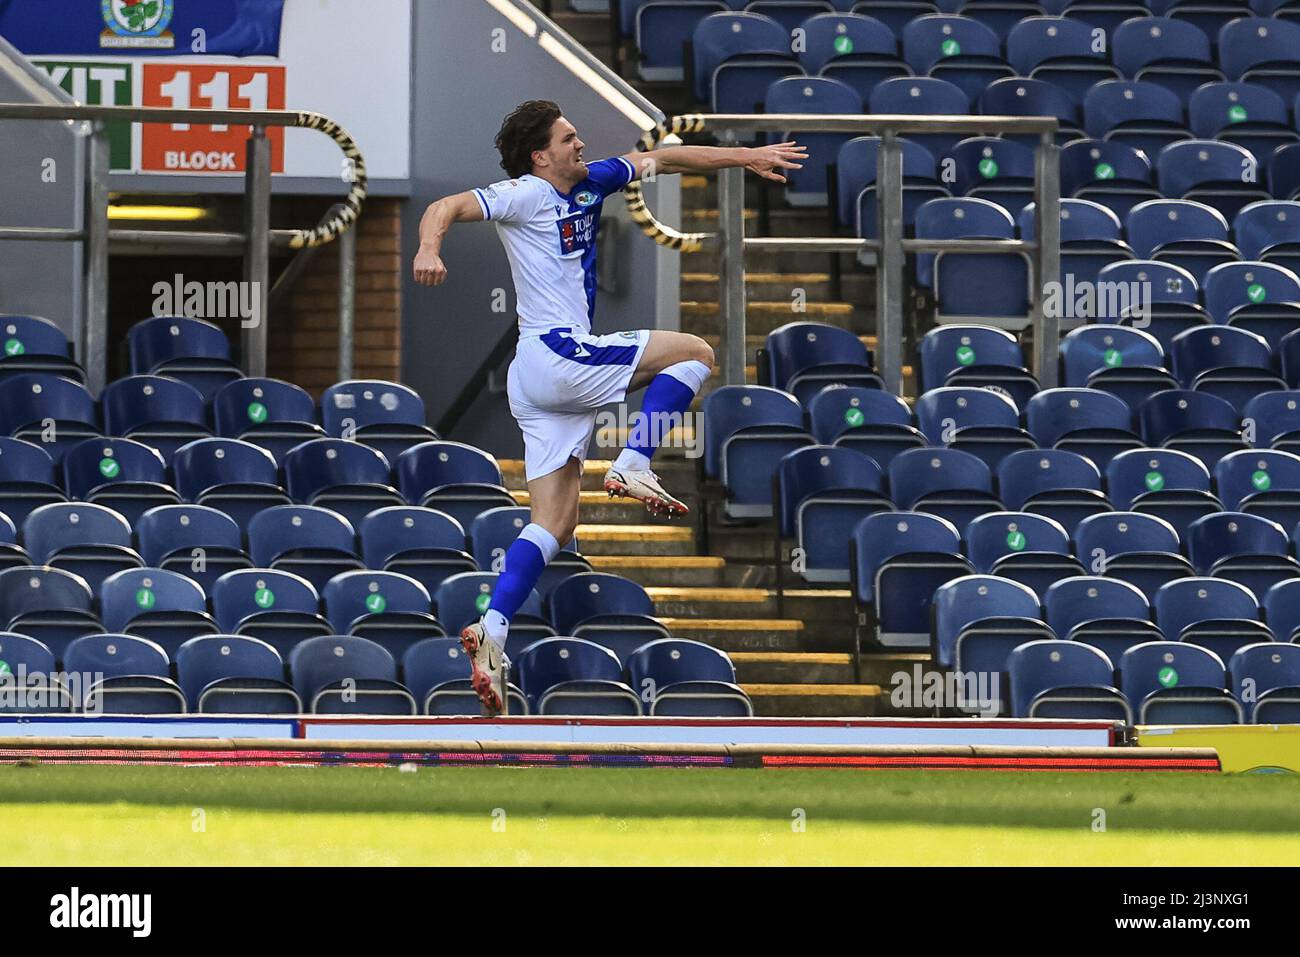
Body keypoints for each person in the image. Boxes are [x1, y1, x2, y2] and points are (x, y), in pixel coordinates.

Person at [413, 100, 805, 715]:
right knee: (695, 351)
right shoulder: (522, 194)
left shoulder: (596, 179)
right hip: (557, 353)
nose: (580, 144)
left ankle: (492, 629)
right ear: (541, 155)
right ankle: (633, 460)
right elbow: (445, 206)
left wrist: (744, 156)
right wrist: (429, 249)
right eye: (568, 138)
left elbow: (665, 157)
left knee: (556, 523)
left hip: (536, 376)